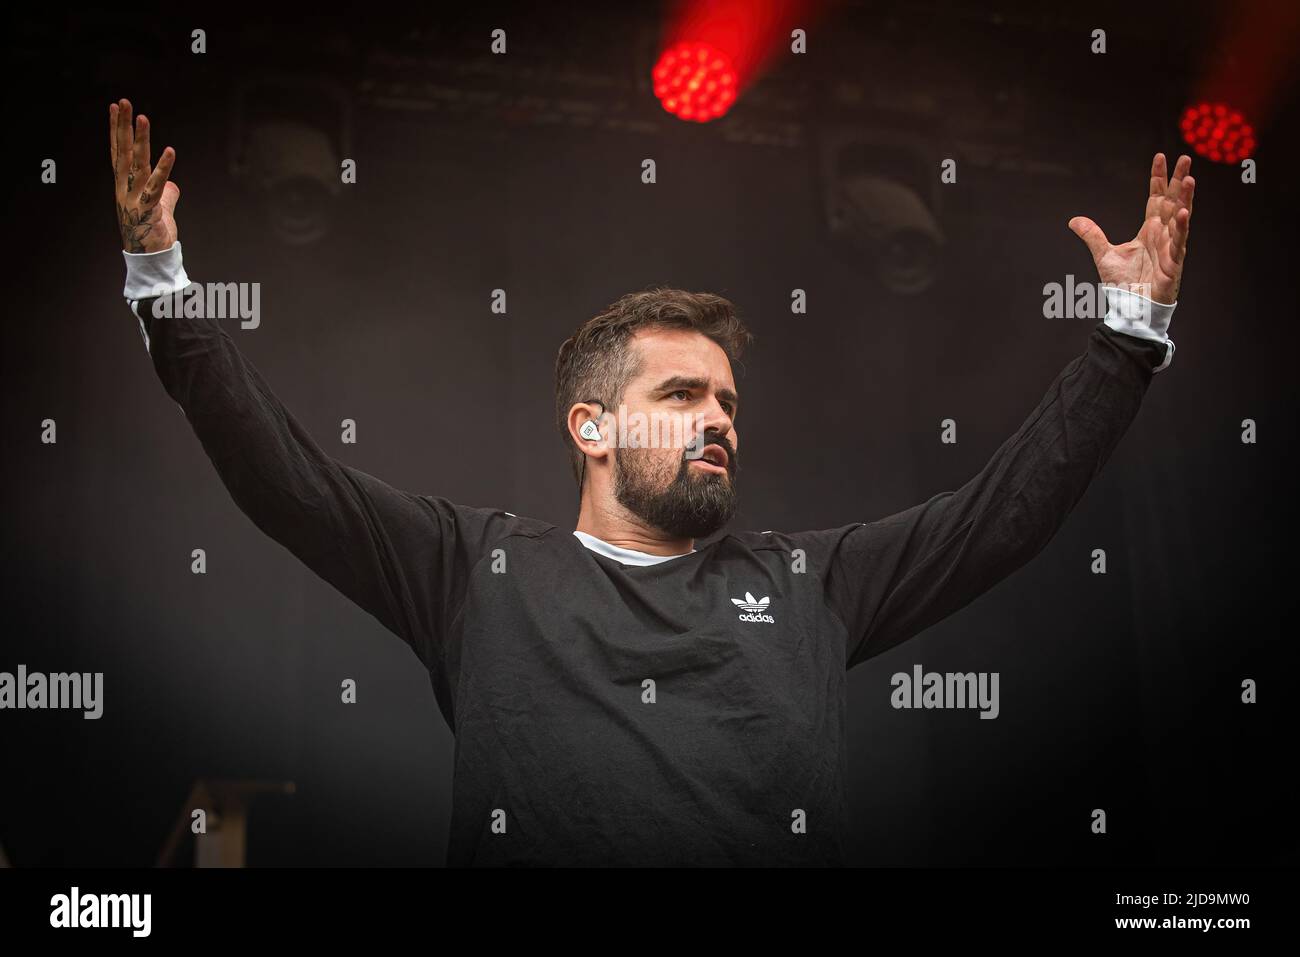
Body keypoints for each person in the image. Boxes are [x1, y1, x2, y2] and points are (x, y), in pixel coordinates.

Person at [108, 97, 1195, 866]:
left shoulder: (815, 581)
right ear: (590, 425)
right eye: (680, 395)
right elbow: (280, 476)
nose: (717, 419)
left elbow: (1004, 513)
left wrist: (1124, 337)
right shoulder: (472, 569)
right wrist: (163, 281)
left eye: (725, 401)